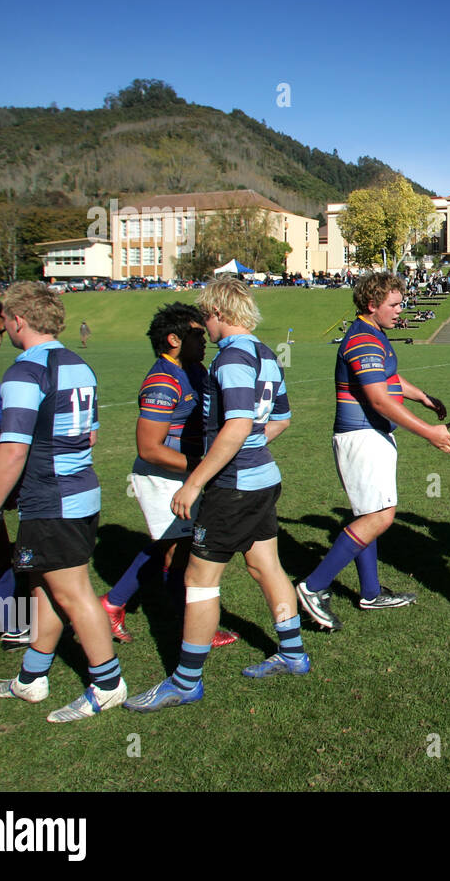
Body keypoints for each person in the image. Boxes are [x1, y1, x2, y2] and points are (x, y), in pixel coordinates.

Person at [126, 278, 303, 712]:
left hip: (236, 488)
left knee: (199, 581)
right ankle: (294, 654)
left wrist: (195, 481)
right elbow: (279, 420)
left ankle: (186, 682)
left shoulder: (231, 360)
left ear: (220, 313)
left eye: (206, 316)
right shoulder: (265, 353)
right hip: (263, 479)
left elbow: (239, 425)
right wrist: (251, 451)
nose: (204, 325)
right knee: (266, 566)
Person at [0, 282, 126, 722]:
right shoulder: (79, 364)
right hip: (80, 492)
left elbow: (13, 449)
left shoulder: (23, 371)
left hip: (52, 499)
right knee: (43, 587)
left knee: (73, 593)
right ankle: (32, 677)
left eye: (5, 323)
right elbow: (90, 434)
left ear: (17, 320)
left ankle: (107, 684)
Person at [295, 274, 450, 632]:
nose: (401, 310)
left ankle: (369, 592)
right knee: (381, 516)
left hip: (370, 434)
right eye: (395, 304)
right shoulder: (363, 340)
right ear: (372, 305)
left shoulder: (373, 335)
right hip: (362, 436)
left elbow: (389, 380)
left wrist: (424, 398)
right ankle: (313, 586)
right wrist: (429, 431)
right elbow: (378, 397)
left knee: (368, 514)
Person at [100, 304, 237, 649]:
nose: (204, 339)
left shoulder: (193, 370)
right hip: (162, 474)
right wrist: (201, 465)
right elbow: (149, 448)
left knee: (178, 545)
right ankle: (121, 605)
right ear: (174, 339)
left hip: (185, 471)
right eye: (196, 334)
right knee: (175, 547)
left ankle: (122, 605)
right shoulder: (163, 381)